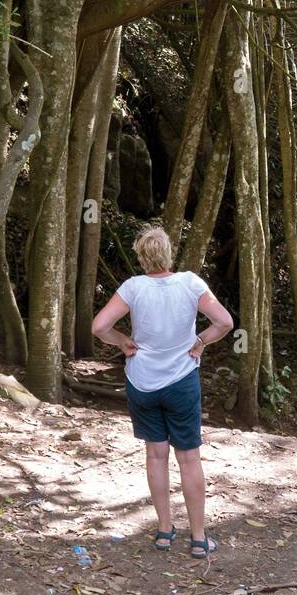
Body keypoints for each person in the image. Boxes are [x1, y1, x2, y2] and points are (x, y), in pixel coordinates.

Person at [91, 225, 234, 558]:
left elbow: (99, 327)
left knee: (156, 455)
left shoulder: (133, 287)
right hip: (181, 381)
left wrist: (122, 341)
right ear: (169, 253)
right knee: (189, 458)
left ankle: (164, 530)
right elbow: (225, 322)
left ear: (142, 257)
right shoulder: (190, 283)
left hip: (142, 382)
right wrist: (201, 342)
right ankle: (199, 538)